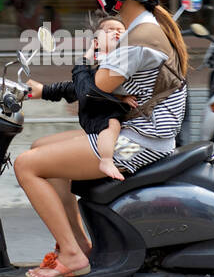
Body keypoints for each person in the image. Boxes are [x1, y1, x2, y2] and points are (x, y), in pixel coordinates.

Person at [13, 0, 189, 277]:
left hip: (141, 142)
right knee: (38, 150)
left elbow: (93, 91)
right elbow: (96, 87)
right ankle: (78, 243)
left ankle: (72, 254)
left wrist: (83, 59)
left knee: (25, 166)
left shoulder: (141, 36)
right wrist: (43, 91)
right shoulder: (141, 27)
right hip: (134, 131)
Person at [28, 17, 135, 182]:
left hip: (107, 116)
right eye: (109, 31)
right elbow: (83, 87)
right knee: (38, 145)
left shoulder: (128, 60)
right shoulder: (101, 62)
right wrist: (45, 91)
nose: (116, 33)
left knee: (112, 126)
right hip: (96, 114)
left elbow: (98, 89)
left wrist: (122, 98)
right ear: (97, 43)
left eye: (121, 31)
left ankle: (106, 160)